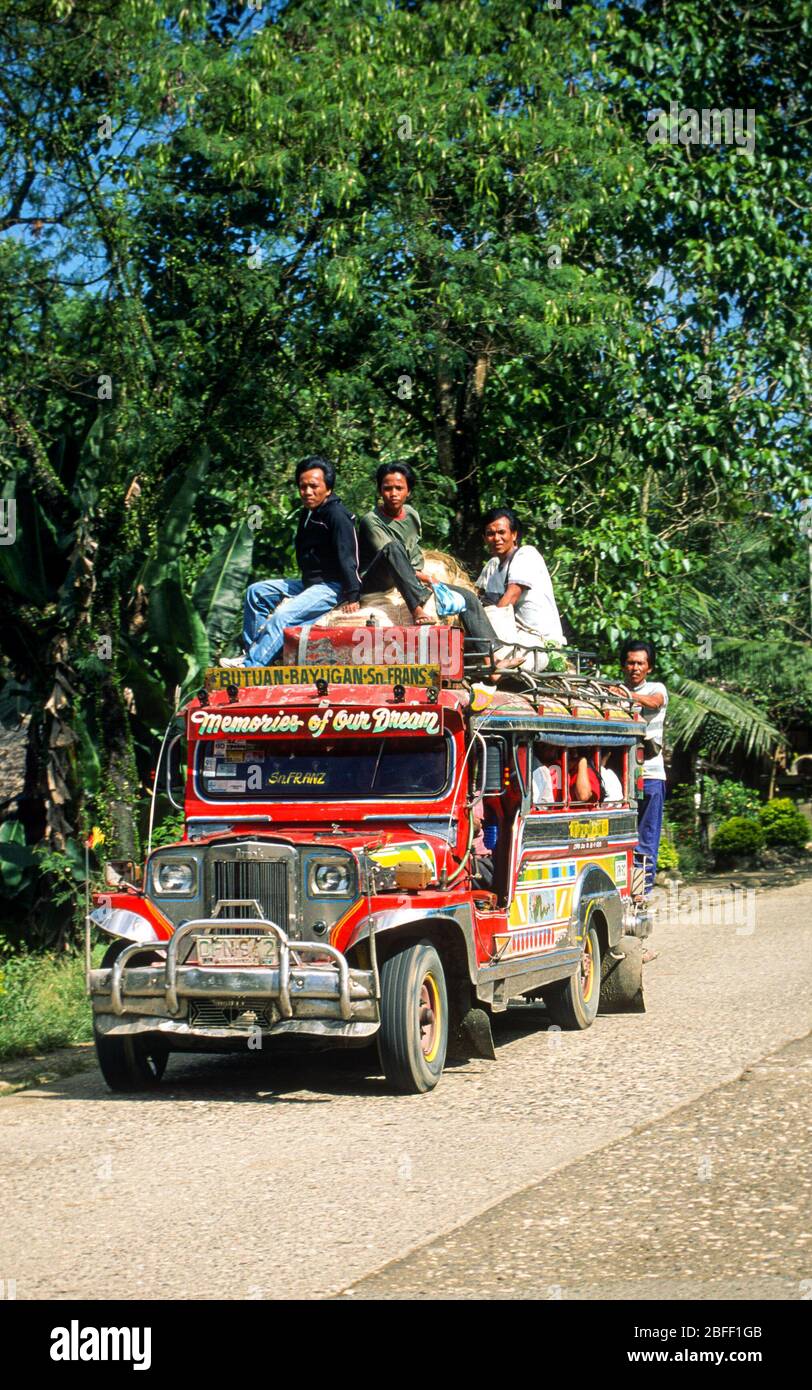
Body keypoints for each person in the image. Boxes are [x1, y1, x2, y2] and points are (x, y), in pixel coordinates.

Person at [223, 457, 361, 668]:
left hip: (332, 586)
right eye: (302, 486)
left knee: (283, 615)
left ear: (329, 488)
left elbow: (348, 556)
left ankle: (252, 667)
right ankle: (251, 652)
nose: (307, 492)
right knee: (255, 592)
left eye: (314, 486)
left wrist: (353, 594)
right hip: (309, 583)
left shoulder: (337, 515)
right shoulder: (308, 513)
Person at [357, 463, 499, 648]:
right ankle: (417, 609)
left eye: (399, 488)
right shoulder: (371, 520)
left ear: (408, 491)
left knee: (468, 597)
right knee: (393, 547)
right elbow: (392, 558)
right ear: (380, 490)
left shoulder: (412, 515)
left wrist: (429, 580)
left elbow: (414, 559)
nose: (393, 494)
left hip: (409, 577)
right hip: (377, 580)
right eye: (387, 488)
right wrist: (427, 579)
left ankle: (492, 657)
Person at [613, 639, 668, 902]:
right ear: (623, 664)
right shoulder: (613, 689)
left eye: (640, 663)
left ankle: (641, 893)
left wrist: (621, 695)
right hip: (619, 778)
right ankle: (622, 890)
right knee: (620, 836)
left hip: (650, 776)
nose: (635, 667)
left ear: (649, 667)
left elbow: (654, 703)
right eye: (630, 662)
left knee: (646, 837)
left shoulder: (657, 688)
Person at [476, 507, 565, 645]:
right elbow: (476, 598)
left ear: (514, 535)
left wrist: (481, 630)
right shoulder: (492, 568)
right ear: (484, 538)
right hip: (511, 637)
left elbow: (512, 595)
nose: (496, 538)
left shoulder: (526, 555)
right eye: (490, 534)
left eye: (501, 532)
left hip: (537, 640)